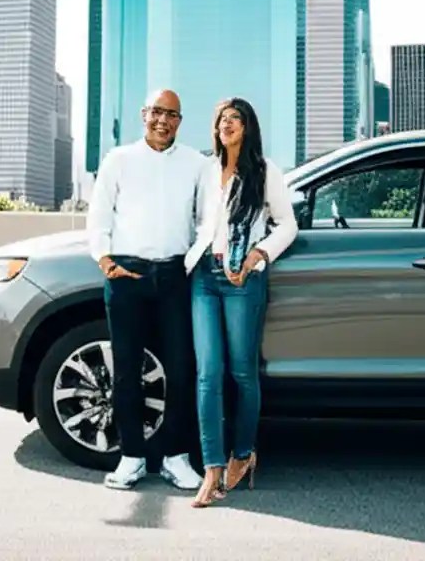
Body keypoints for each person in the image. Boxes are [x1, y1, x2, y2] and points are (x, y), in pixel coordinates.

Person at [87, 89, 209, 491]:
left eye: (171, 114)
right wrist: (106, 263)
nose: (163, 120)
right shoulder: (118, 160)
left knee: (181, 368)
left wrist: (189, 262)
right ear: (144, 115)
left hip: (176, 274)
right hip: (127, 275)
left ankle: (176, 457)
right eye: (157, 112)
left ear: (180, 121)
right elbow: (99, 217)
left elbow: (205, 220)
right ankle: (132, 458)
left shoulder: (196, 163)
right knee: (126, 371)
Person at [182, 97, 298, 507]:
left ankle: (244, 453)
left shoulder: (265, 171)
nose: (227, 124)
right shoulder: (205, 169)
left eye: (235, 118)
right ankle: (212, 468)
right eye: (222, 119)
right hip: (204, 276)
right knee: (208, 373)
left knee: (242, 373)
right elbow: (197, 222)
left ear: (247, 127)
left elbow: (287, 224)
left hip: (243, 279)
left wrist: (258, 254)